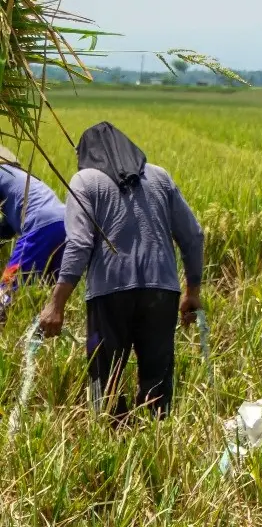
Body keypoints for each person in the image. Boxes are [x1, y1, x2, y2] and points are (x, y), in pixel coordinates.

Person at [39, 122, 204, 424]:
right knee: (157, 376)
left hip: (110, 294)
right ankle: (154, 439)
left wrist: (56, 303)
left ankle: (112, 437)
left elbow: (78, 243)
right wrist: (193, 291)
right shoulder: (159, 176)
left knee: (105, 375)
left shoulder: (85, 180)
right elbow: (193, 234)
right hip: (162, 291)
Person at [0, 144, 67, 325]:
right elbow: (7, 229)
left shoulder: (1, 173)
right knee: (50, 290)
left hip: (40, 224)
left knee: (8, 286)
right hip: (65, 223)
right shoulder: (18, 177)